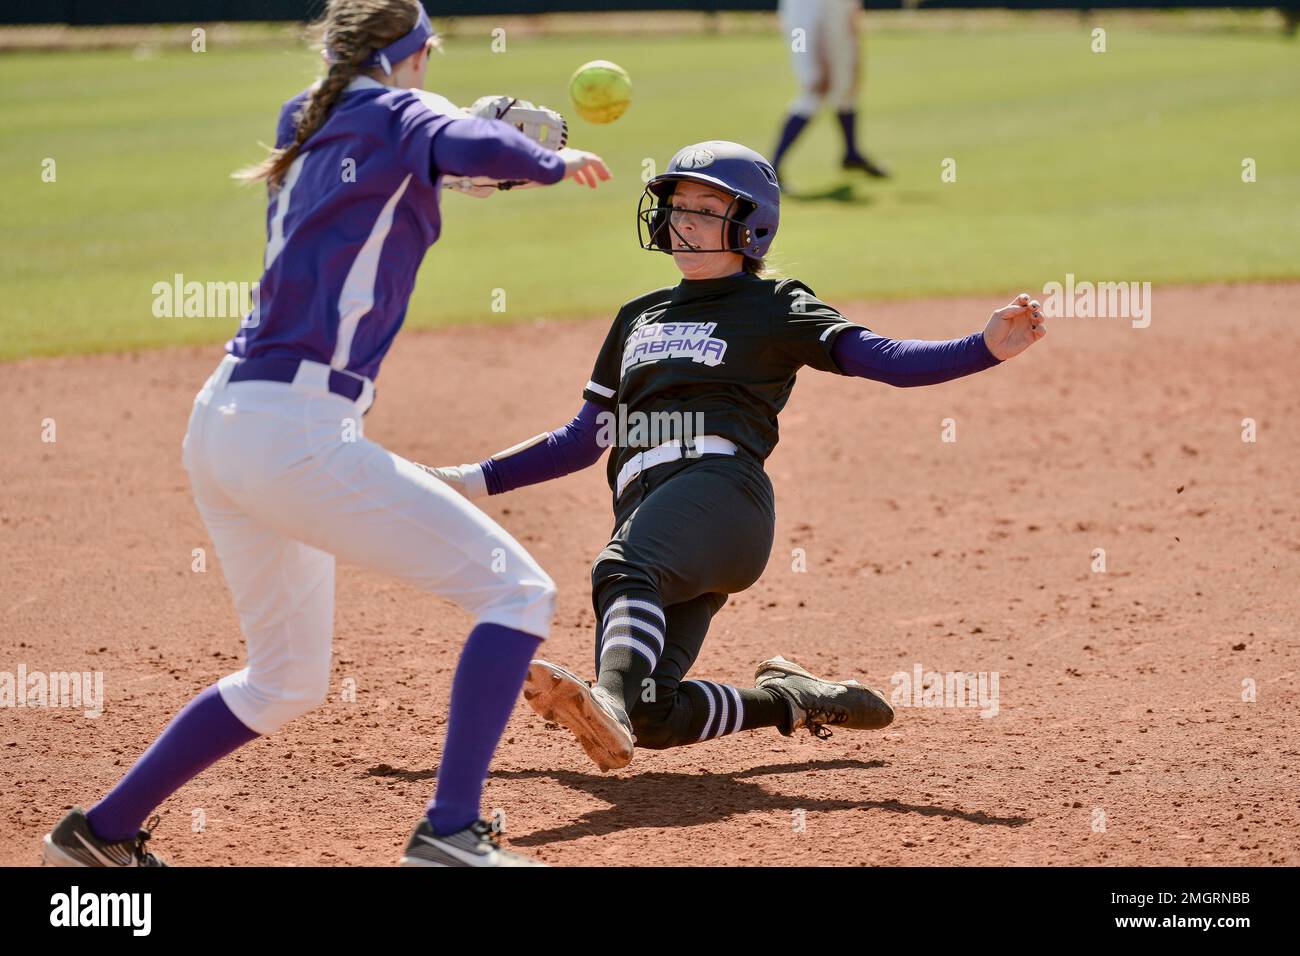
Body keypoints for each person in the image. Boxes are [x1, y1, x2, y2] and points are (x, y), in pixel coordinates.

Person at [41, 0, 610, 868]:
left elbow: (384, 180)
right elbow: (478, 147)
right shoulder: (401, 113)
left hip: (225, 421)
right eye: (431, 53)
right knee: (518, 595)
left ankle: (99, 835)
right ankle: (451, 831)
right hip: (297, 433)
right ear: (414, 54)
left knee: (285, 679)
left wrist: (442, 164)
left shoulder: (308, 115)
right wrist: (550, 160)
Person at [424, 141, 1044, 771]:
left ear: (751, 226)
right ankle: (792, 701)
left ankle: (604, 695)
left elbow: (880, 359)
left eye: (705, 207)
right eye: (676, 205)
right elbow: (584, 438)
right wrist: (463, 481)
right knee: (652, 715)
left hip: (720, 495)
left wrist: (982, 347)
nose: (683, 219)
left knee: (622, 571)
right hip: (654, 515)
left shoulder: (773, 305)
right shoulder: (637, 317)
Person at [771, 0, 889, 184]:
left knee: (845, 90)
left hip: (839, 20)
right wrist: (821, 57)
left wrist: (855, 48)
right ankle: (772, 169)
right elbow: (808, 19)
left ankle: (851, 153)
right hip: (808, 19)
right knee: (815, 89)